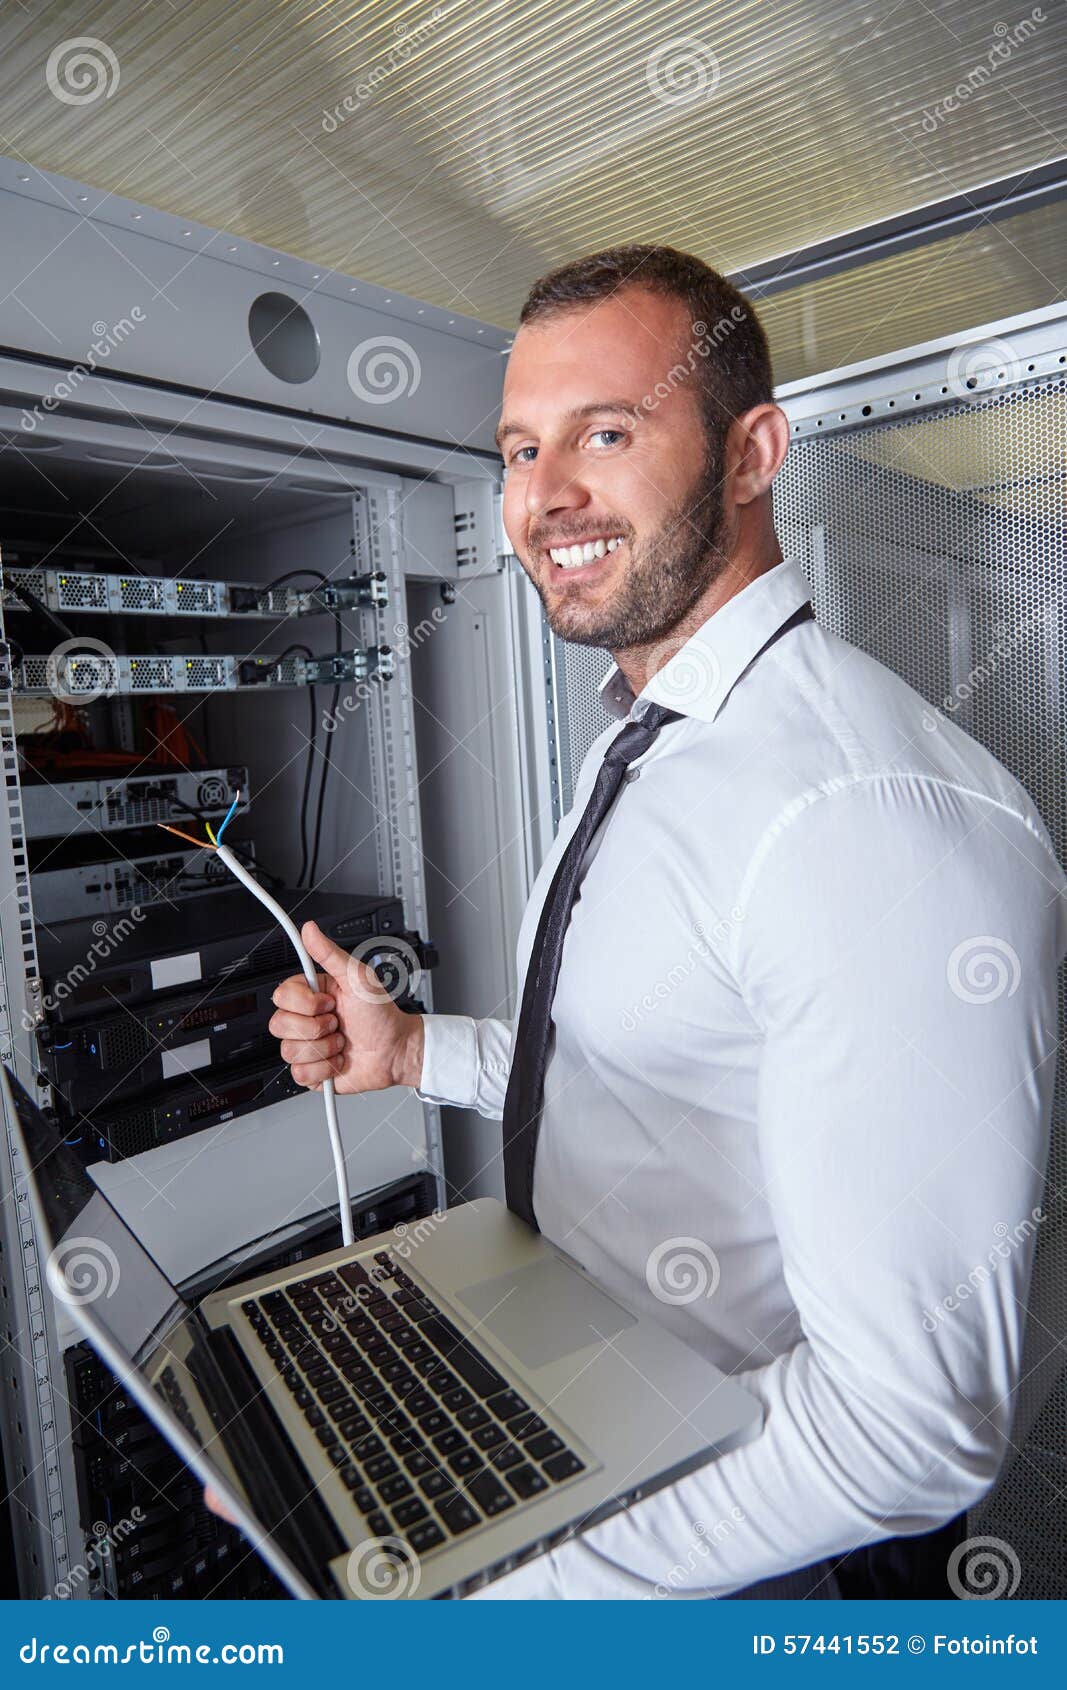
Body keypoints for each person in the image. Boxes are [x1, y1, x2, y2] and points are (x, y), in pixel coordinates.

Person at [210, 245, 1066, 1599]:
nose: (544, 495)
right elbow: (654, 1073)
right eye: (519, 449)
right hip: (594, 1434)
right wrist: (419, 1051)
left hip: (759, 1561)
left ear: (753, 454)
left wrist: (489, 1588)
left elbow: (906, 1431)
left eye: (605, 433)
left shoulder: (859, 817)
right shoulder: (651, 740)